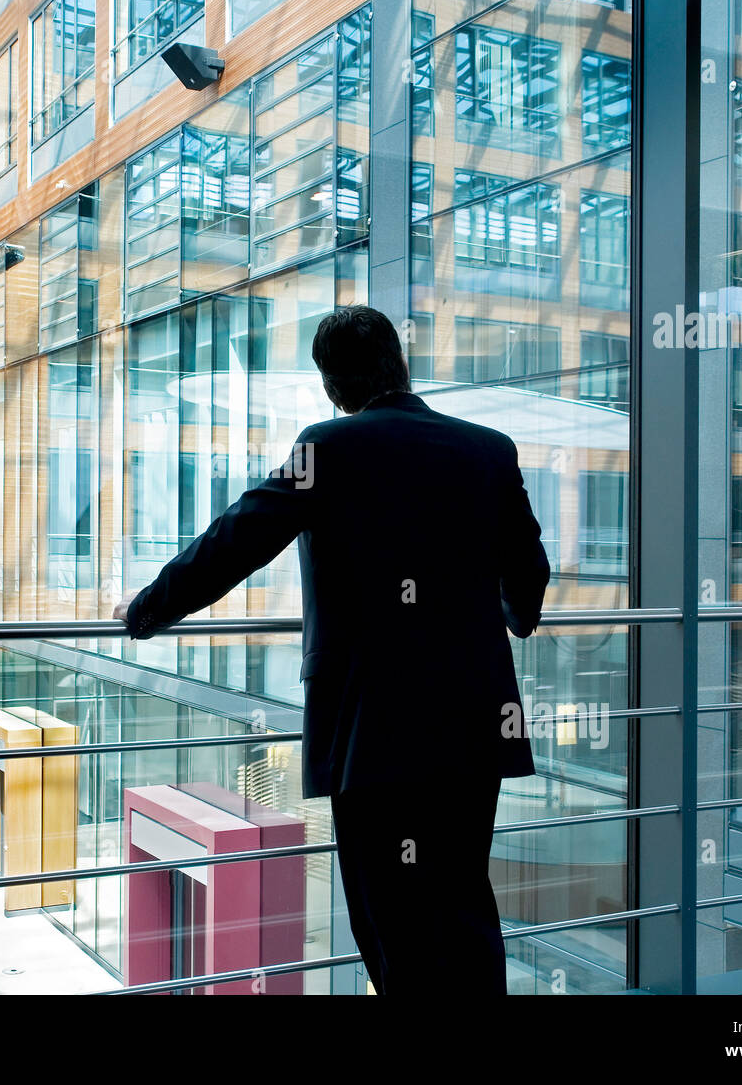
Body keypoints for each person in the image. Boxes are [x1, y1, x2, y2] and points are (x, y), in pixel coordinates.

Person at [115, 304, 551, 995]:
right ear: (398, 363)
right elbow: (529, 573)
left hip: (372, 732)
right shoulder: (488, 448)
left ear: (332, 386)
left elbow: (234, 543)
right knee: (464, 905)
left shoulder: (329, 448)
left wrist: (144, 611)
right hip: (475, 722)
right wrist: (515, 616)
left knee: (392, 920)